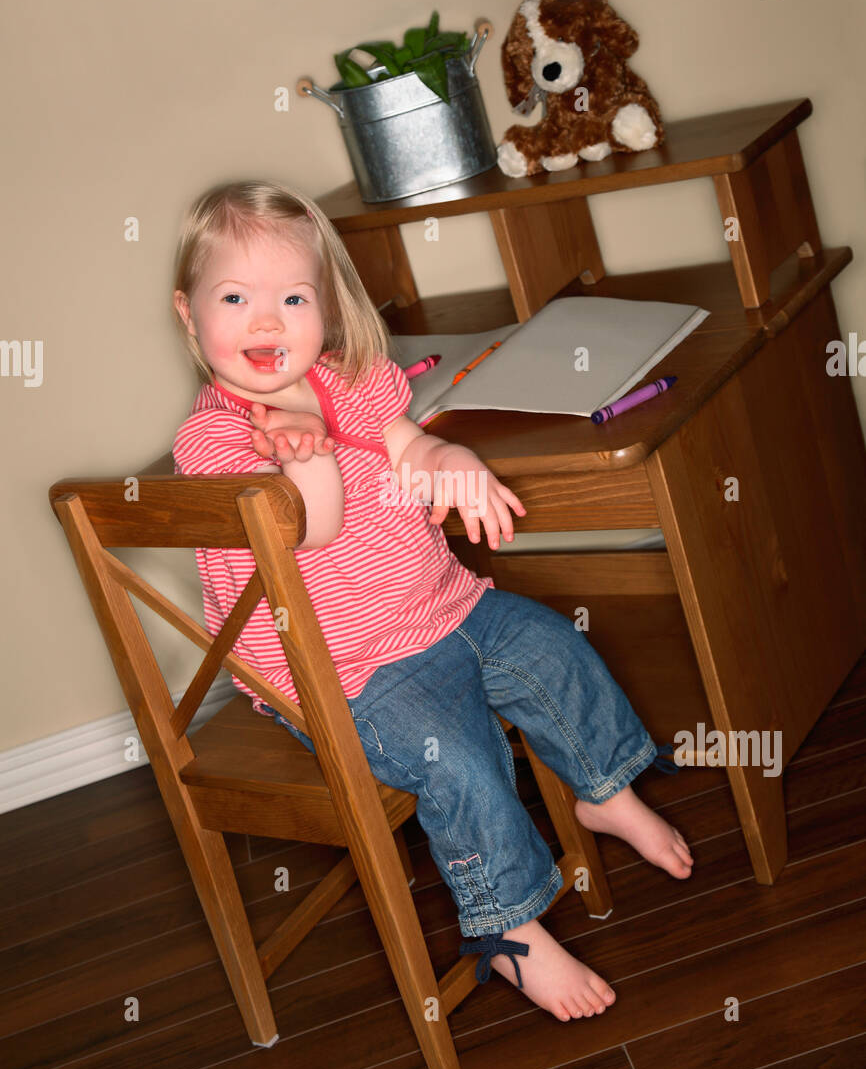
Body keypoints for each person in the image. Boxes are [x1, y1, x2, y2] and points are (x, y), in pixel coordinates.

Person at [172, 180, 693, 1026]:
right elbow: (313, 527)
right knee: (457, 754)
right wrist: (300, 447)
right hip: (345, 673)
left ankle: (601, 786)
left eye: (293, 298)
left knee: (554, 647)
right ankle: (511, 932)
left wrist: (449, 457)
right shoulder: (217, 439)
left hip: (443, 606)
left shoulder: (349, 383)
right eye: (236, 298)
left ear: (329, 312)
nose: (266, 322)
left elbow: (407, 443)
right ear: (191, 318)